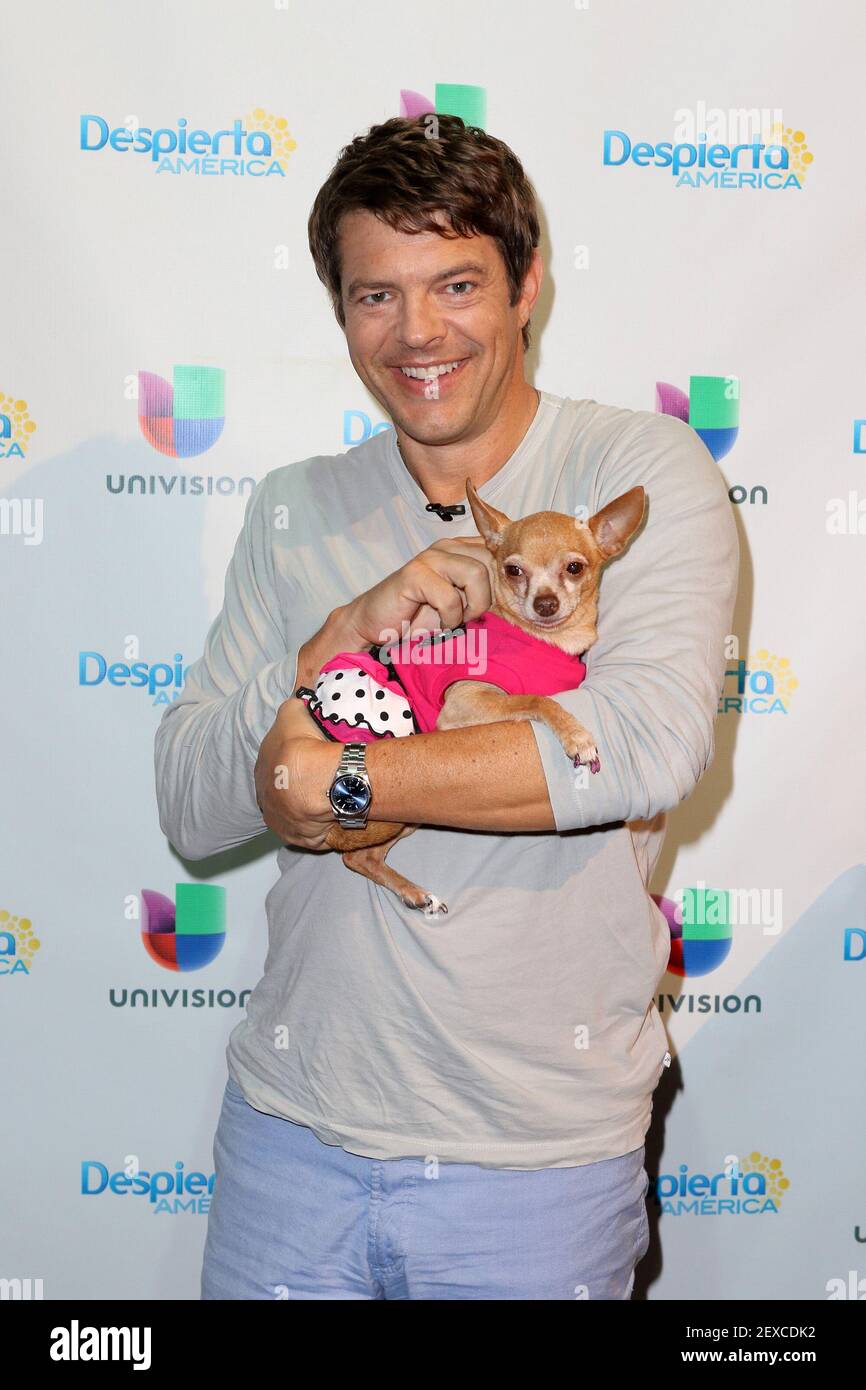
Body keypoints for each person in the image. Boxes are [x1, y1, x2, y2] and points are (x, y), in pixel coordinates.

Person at [154, 114, 739, 1300]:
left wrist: (343, 780)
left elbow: (637, 749)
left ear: (526, 284)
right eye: (376, 295)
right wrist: (331, 641)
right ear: (337, 310)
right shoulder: (291, 509)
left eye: (456, 283)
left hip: (532, 1169)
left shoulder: (638, 472)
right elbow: (192, 807)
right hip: (289, 1142)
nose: (417, 333)